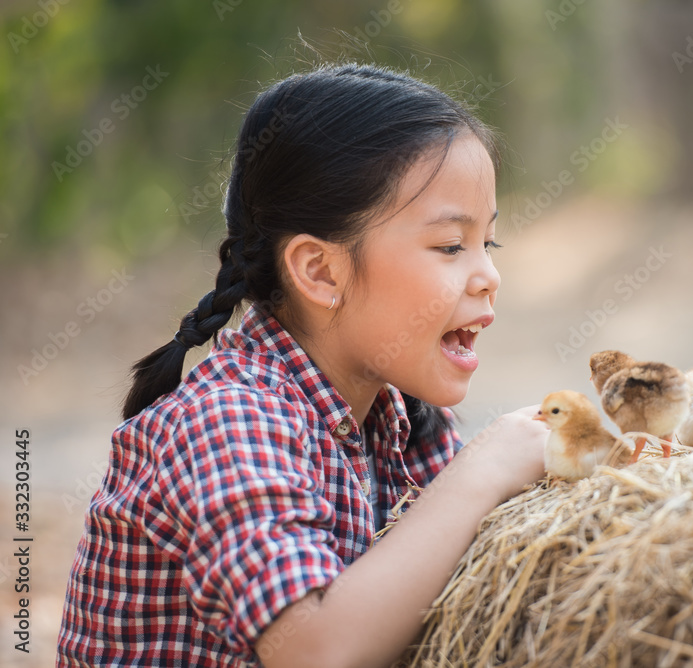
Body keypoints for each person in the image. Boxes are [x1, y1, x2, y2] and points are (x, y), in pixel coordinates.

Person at [57, 62, 548, 668]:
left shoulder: (400, 418)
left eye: (488, 244)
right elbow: (316, 651)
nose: (489, 276)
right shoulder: (227, 421)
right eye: (451, 246)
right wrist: (484, 470)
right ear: (319, 271)